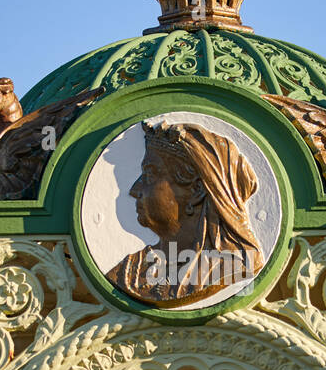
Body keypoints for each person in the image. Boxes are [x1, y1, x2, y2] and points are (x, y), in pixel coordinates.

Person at [107, 121, 262, 307]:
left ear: (197, 189)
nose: (134, 190)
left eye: (149, 175)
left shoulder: (228, 268)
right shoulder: (129, 271)